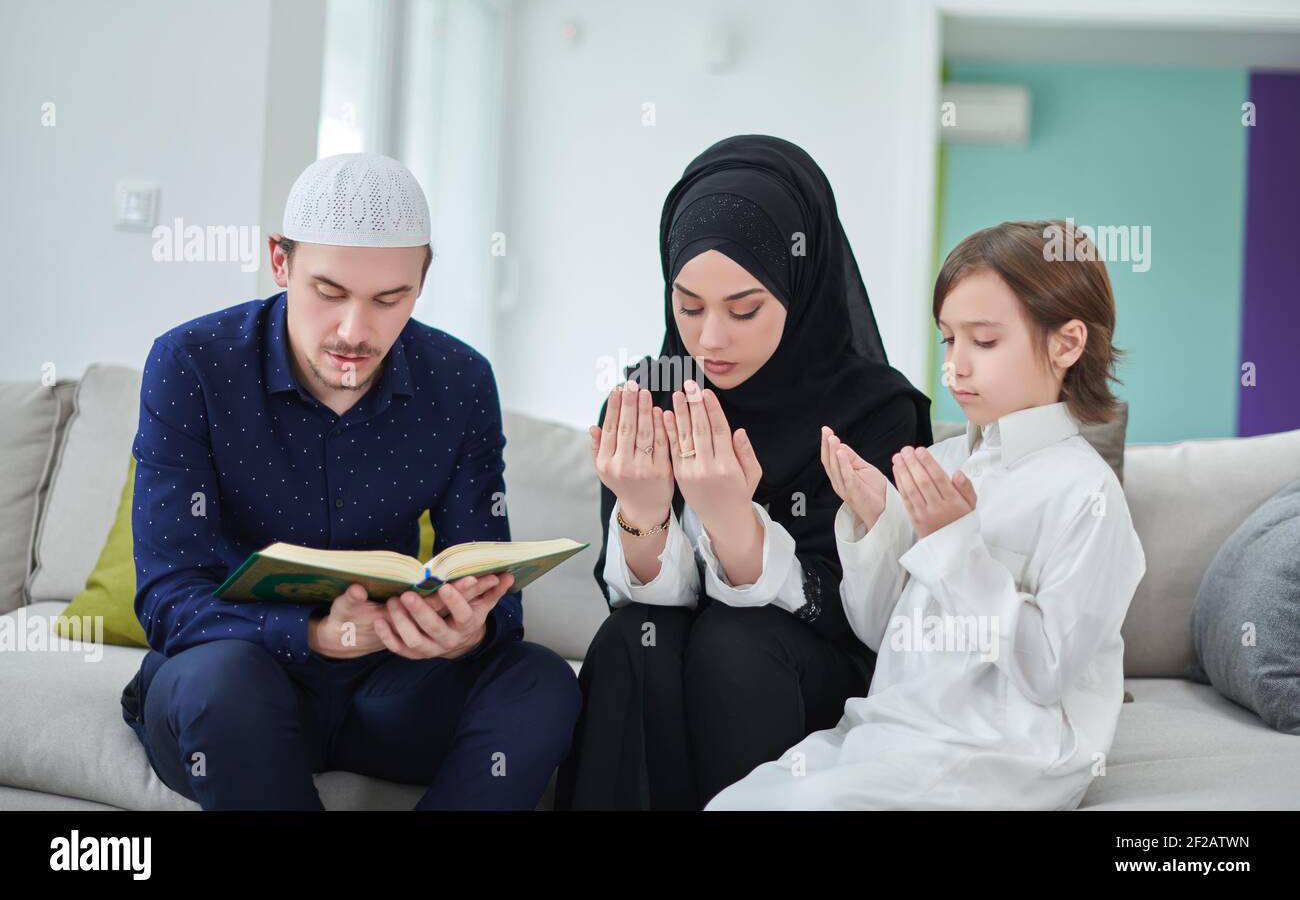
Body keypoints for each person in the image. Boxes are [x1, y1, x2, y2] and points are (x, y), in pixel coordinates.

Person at [119, 152, 580, 810]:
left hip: (388, 690)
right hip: (234, 683)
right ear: (280, 262)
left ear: (421, 282)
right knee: (226, 683)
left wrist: (464, 631)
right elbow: (167, 598)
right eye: (329, 292)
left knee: (541, 683)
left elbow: (498, 599)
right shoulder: (192, 363)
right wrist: (312, 635)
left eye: (389, 300)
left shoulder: (461, 381)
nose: (354, 332)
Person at [706, 219, 1147, 810]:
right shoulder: (943, 461)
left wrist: (954, 542)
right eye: (948, 340)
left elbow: (1045, 672)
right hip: (897, 729)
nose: (956, 367)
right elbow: (879, 631)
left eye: (984, 342)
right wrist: (875, 525)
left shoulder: (1086, 495)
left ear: (1067, 343)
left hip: (1003, 752)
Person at [554, 135, 933, 809]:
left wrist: (735, 524)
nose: (711, 340)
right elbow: (641, 604)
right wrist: (643, 510)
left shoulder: (878, 411)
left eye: (745, 307)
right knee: (629, 640)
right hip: (688, 658)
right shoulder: (646, 398)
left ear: (801, 282)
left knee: (738, 640)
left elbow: (871, 618)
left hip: (807, 671)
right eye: (689, 305)